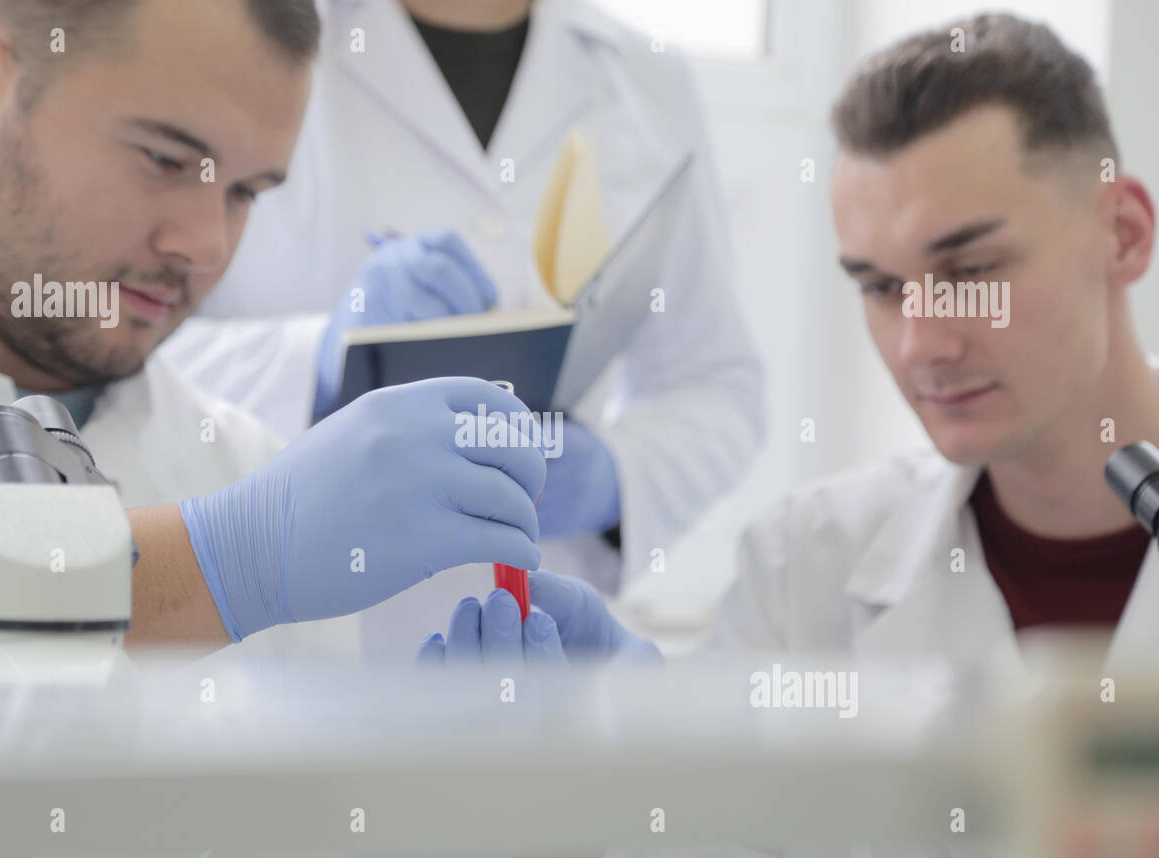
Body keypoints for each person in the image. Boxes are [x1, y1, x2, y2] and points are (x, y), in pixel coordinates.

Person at [434, 14, 1159, 673]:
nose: (919, 345)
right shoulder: (804, 569)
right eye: (881, 287)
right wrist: (615, 725)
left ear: (1122, 235)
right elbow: (710, 806)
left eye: (970, 271)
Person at [0, 0, 543, 655]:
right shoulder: (251, 542)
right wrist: (208, 571)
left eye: (243, 193)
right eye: (163, 159)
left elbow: (312, 773)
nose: (207, 246)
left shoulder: (238, 468)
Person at [161, 0, 765, 645]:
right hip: (299, 649)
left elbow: (718, 384)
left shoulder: (647, 78)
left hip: (547, 639)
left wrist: (617, 476)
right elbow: (131, 375)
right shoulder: (249, 39)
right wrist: (321, 358)